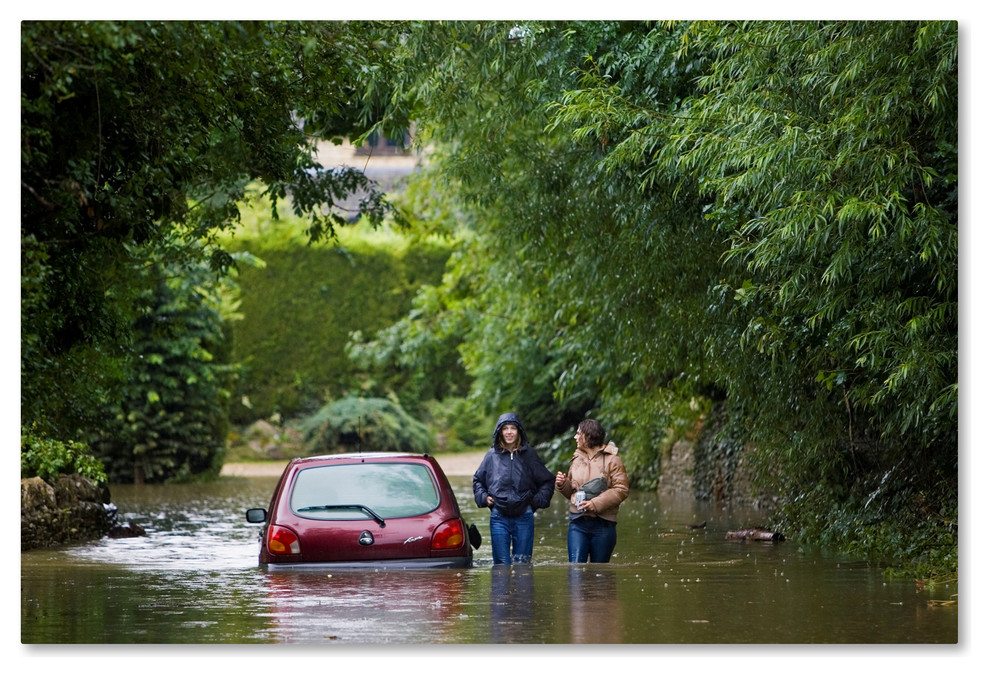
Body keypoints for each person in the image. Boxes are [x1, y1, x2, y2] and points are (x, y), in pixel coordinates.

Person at [473, 412, 555, 564]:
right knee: (501, 567)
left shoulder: (529, 455)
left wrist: (536, 500)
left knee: (522, 566)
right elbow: (478, 480)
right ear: (500, 432)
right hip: (498, 517)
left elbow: (548, 481)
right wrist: (484, 497)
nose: (509, 432)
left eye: (513, 428)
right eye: (505, 428)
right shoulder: (491, 456)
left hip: (524, 516)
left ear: (519, 432)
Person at [555, 419, 629, 563]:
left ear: (588, 436)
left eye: (578, 434)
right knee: (575, 570)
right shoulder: (576, 459)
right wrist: (563, 484)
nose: (575, 437)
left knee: (599, 574)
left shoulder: (613, 460)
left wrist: (594, 504)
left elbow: (621, 490)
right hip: (577, 523)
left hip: (604, 526)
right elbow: (572, 492)